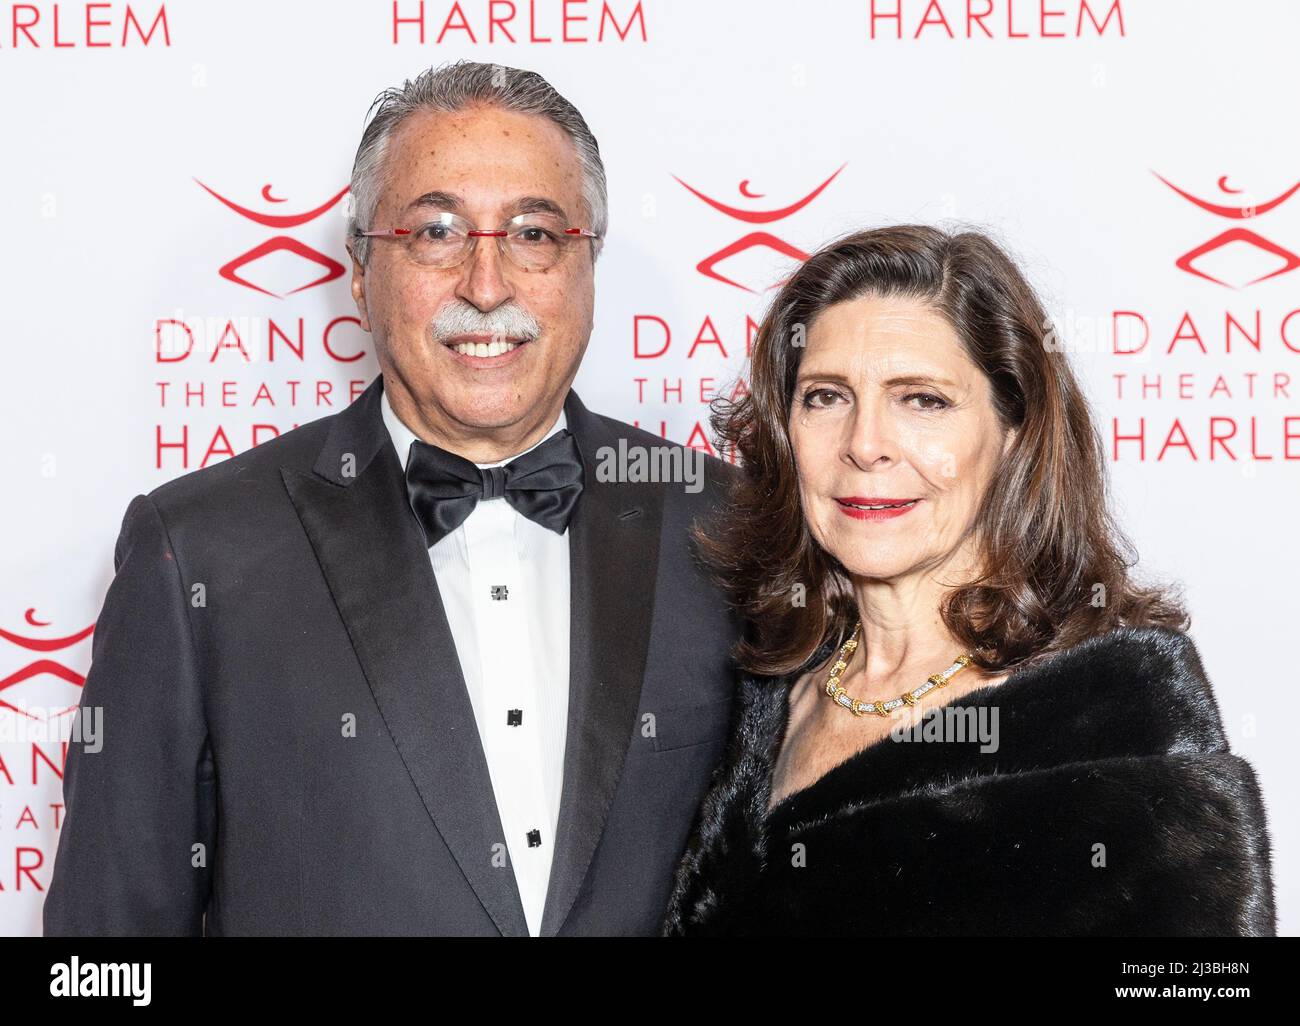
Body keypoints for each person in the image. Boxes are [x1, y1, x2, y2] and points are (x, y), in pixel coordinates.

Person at [43, 60, 740, 937]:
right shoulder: (201, 550)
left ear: (588, 261)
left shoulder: (727, 529)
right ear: (359, 273)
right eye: (435, 233)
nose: (487, 288)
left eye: (533, 234)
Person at [662, 224, 1277, 936]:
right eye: (826, 397)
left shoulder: (1111, 707)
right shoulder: (765, 694)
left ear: (1014, 430)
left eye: (922, 400)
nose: (864, 445)